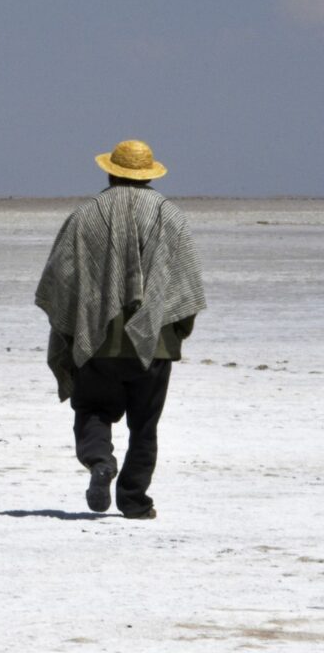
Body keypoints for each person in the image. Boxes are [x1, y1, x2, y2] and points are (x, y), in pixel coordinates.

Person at [35, 139, 206, 520]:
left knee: (93, 409)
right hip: (156, 340)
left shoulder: (86, 215)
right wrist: (177, 331)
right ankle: (134, 501)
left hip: (96, 338)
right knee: (144, 425)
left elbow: (60, 276)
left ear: (111, 171)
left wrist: (72, 324)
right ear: (149, 175)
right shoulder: (170, 216)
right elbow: (186, 283)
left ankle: (99, 461)